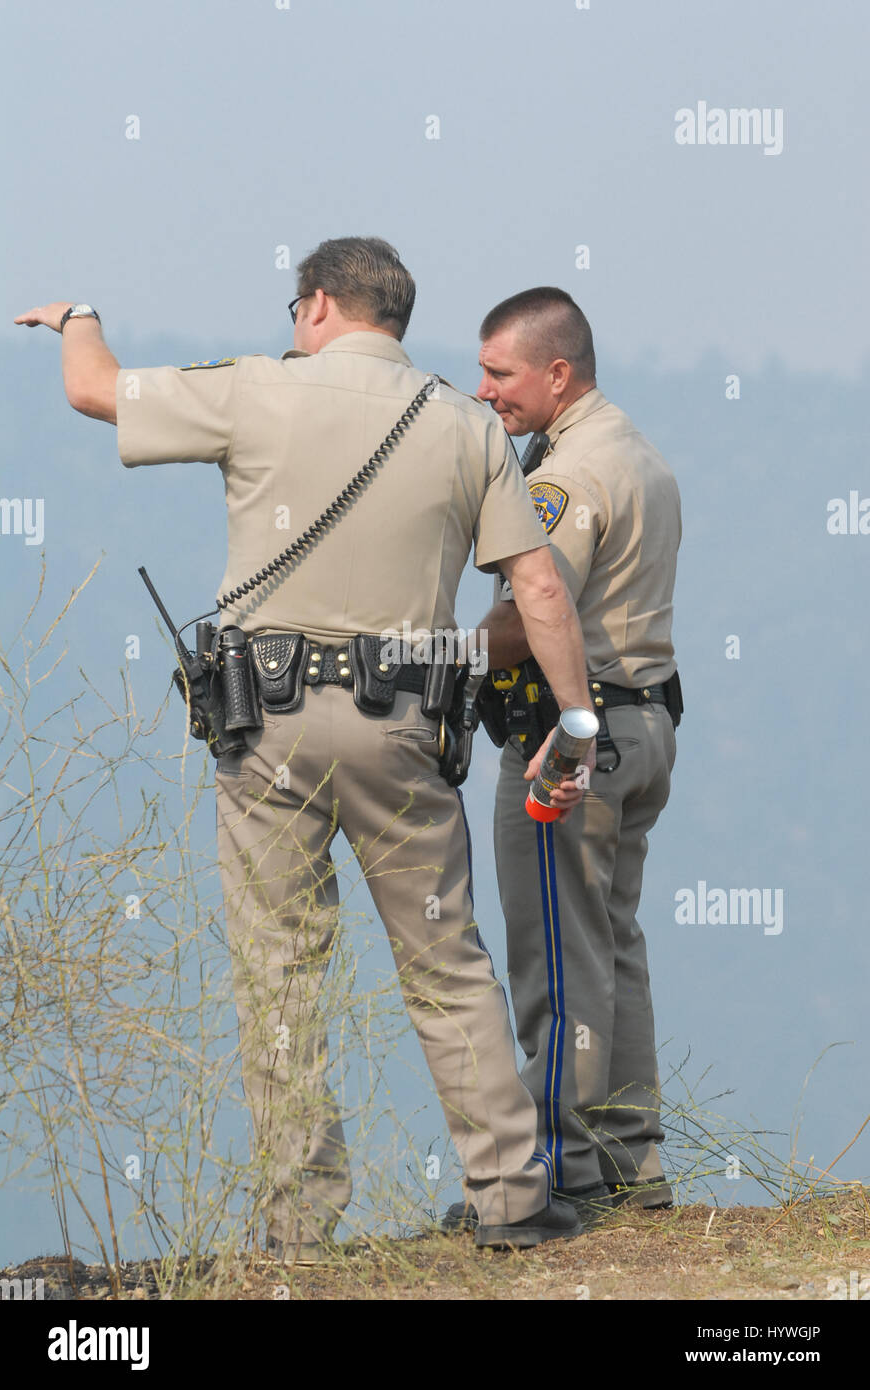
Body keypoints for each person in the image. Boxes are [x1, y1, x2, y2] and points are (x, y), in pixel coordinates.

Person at [14, 242, 596, 1261]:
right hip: (404, 729)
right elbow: (538, 587)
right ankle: (511, 1200)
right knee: (447, 965)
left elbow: (93, 390)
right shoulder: (463, 424)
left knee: (278, 971)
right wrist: (576, 723)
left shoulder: (252, 390)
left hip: (267, 730)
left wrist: (78, 317)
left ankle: (294, 1225)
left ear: (319, 304)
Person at [472, 286, 682, 1223]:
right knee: (612, 943)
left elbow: (532, 613)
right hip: (646, 726)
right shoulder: (636, 451)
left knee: (556, 955)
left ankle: (559, 1172)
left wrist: (428, 655)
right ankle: (632, 1163)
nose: (486, 391)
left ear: (557, 373)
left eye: (500, 373)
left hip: (570, 741)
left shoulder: (567, 475)